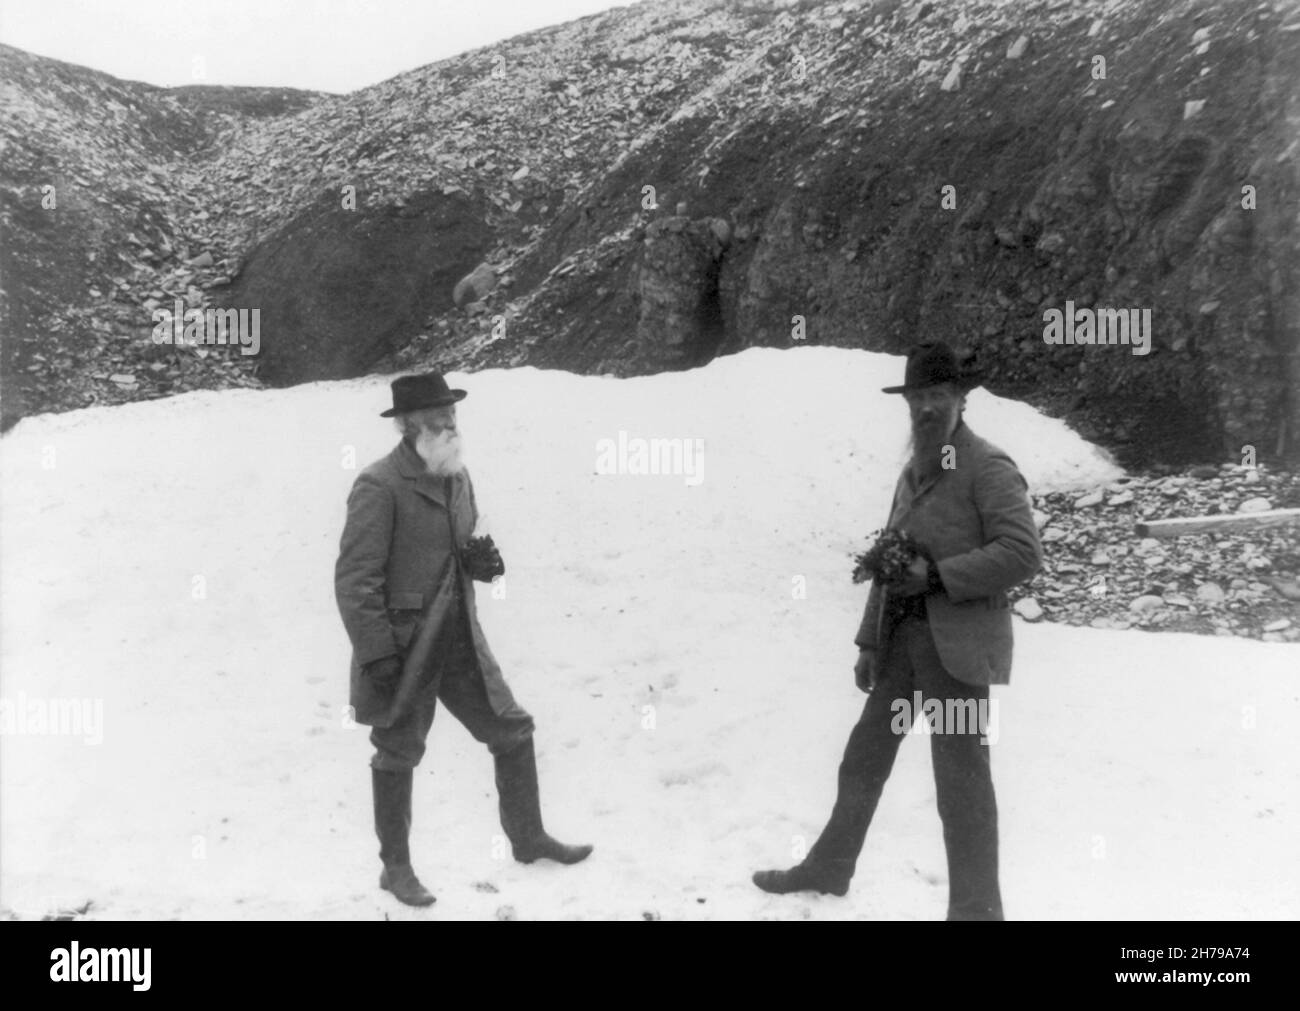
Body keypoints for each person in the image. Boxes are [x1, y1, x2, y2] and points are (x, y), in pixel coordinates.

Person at [752, 342, 1043, 920]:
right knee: (863, 758)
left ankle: (978, 913)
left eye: (938, 396)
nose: (926, 408)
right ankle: (831, 867)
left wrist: (937, 576)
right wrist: (867, 641)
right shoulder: (912, 470)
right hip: (902, 652)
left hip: (956, 661)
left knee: (962, 785)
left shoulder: (988, 466)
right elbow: (889, 559)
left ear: (961, 400)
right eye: (917, 398)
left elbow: (1021, 552)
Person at [336, 372, 592, 907]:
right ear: (409, 427)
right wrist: (378, 652)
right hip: (405, 648)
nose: (448, 425)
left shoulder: (457, 474)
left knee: (511, 728)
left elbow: (459, 544)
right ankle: (396, 868)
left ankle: (528, 838)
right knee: (397, 749)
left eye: (451, 415)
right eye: (434, 419)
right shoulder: (379, 485)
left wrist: (480, 562)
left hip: (458, 637)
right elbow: (356, 580)